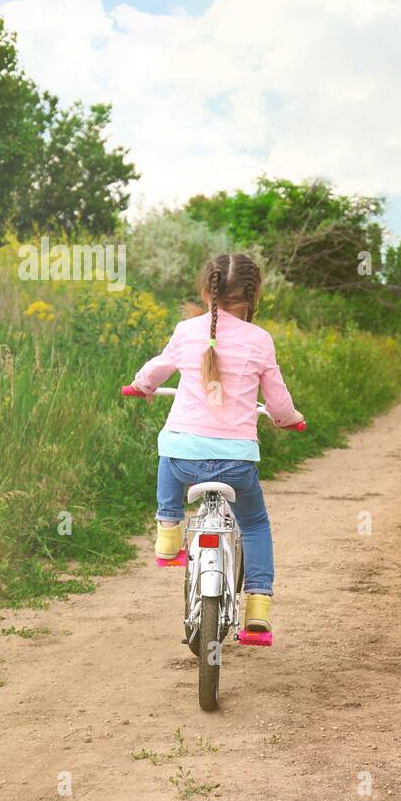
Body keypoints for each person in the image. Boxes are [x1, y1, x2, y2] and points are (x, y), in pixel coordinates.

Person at [130, 253, 303, 634]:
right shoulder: (260, 340)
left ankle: (168, 533)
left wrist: (141, 386)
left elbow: (157, 368)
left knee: (170, 447)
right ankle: (258, 607)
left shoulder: (186, 330)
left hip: (183, 459)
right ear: (252, 293)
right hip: (236, 463)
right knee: (255, 524)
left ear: (205, 289)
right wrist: (288, 419)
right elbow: (276, 398)